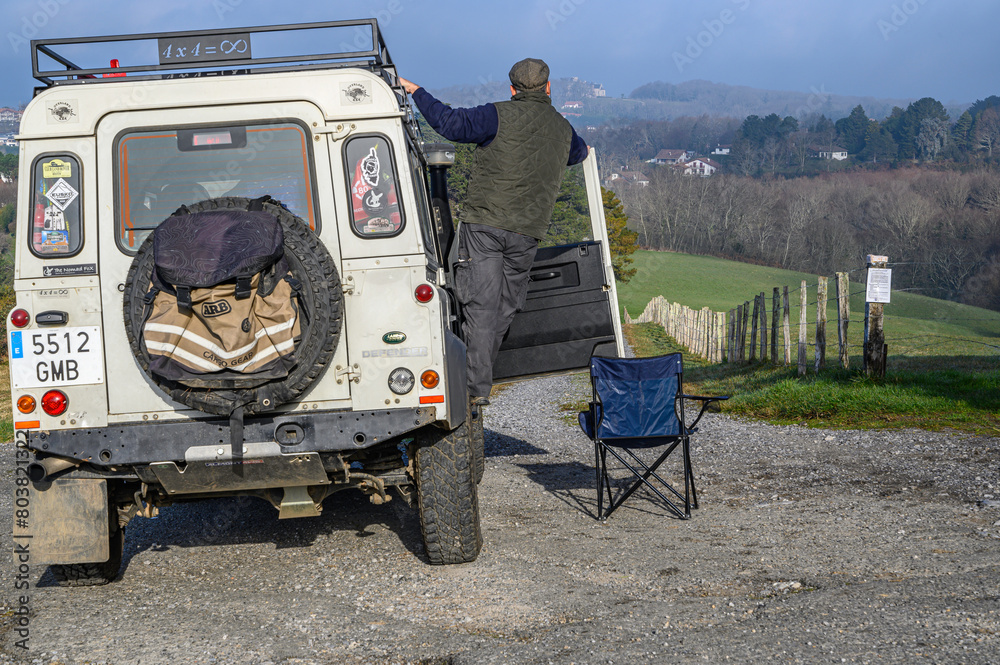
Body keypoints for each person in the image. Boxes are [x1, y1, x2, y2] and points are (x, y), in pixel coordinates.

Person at [399, 58, 588, 406]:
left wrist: (417, 92)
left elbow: (449, 124)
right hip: (527, 233)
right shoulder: (564, 129)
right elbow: (578, 154)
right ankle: (476, 379)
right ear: (548, 88)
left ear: (512, 89)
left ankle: (472, 387)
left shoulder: (495, 115)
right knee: (505, 308)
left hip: (485, 227)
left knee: (481, 306)